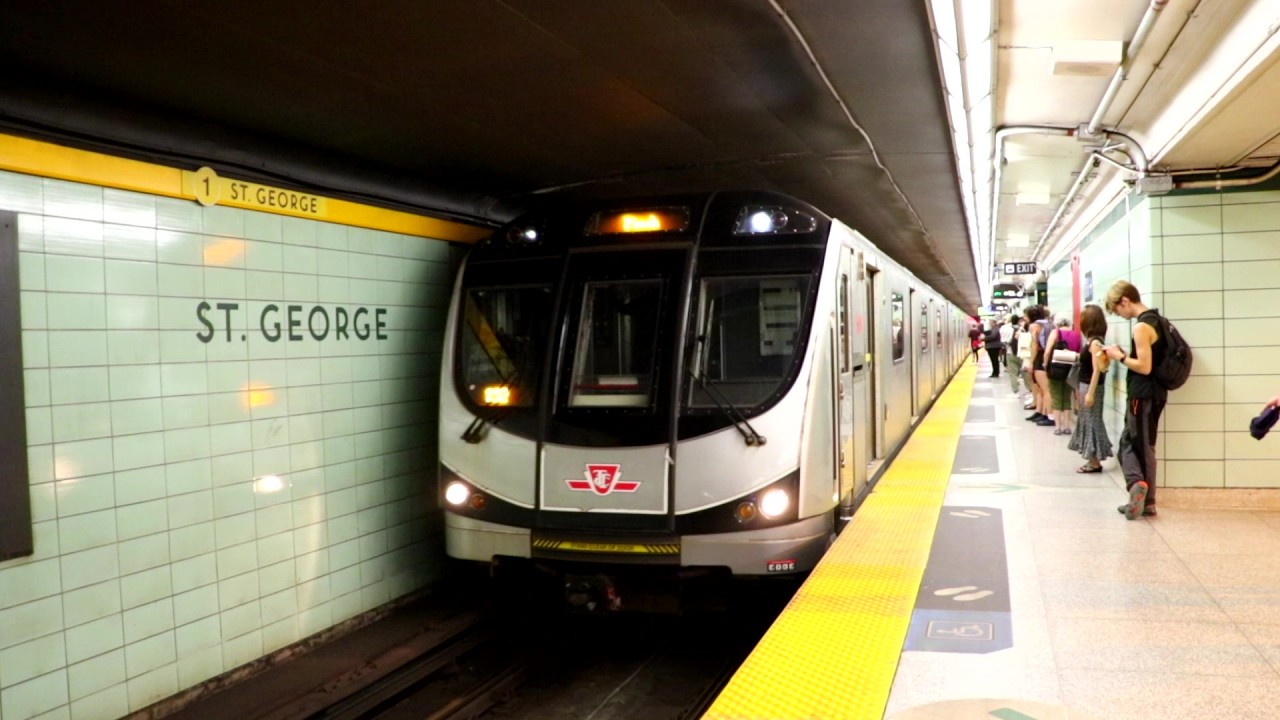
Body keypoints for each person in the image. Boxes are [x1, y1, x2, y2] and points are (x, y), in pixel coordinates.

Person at [1103, 281, 1165, 519]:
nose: (1120, 314)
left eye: (1117, 309)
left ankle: (1141, 492)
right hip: (1154, 393)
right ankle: (1141, 495)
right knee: (1134, 442)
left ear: (1125, 301)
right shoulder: (1157, 320)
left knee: (1139, 445)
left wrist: (1119, 357)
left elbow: (1144, 366)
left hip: (1143, 394)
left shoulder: (1141, 327)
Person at [1069, 304, 1114, 473]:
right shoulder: (1094, 341)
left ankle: (1094, 461)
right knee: (1089, 421)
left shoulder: (1095, 342)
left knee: (1092, 422)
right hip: (1087, 385)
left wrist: (1090, 393)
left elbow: (1096, 370)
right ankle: (1092, 458)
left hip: (1090, 385)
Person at [1044, 315, 1082, 436]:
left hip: (1055, 370)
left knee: (1056, 397)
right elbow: (1079, 352)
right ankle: (1067, 426)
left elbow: (1048, 351)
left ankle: (1058, 427)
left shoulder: (1056, 333)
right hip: (1070, 370)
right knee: (1066, 397)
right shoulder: (1076, 334)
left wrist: (1046, 365)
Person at [1026, 306, 1054, 427]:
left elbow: (1034, 344)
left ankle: (1049, 416)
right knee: (1042, 389)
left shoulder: (1034, 326)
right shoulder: (1051, 324)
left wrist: (1031, 362)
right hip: (1050, 356)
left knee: (1045, 389)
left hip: (1040, 356)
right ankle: (1041, 412)